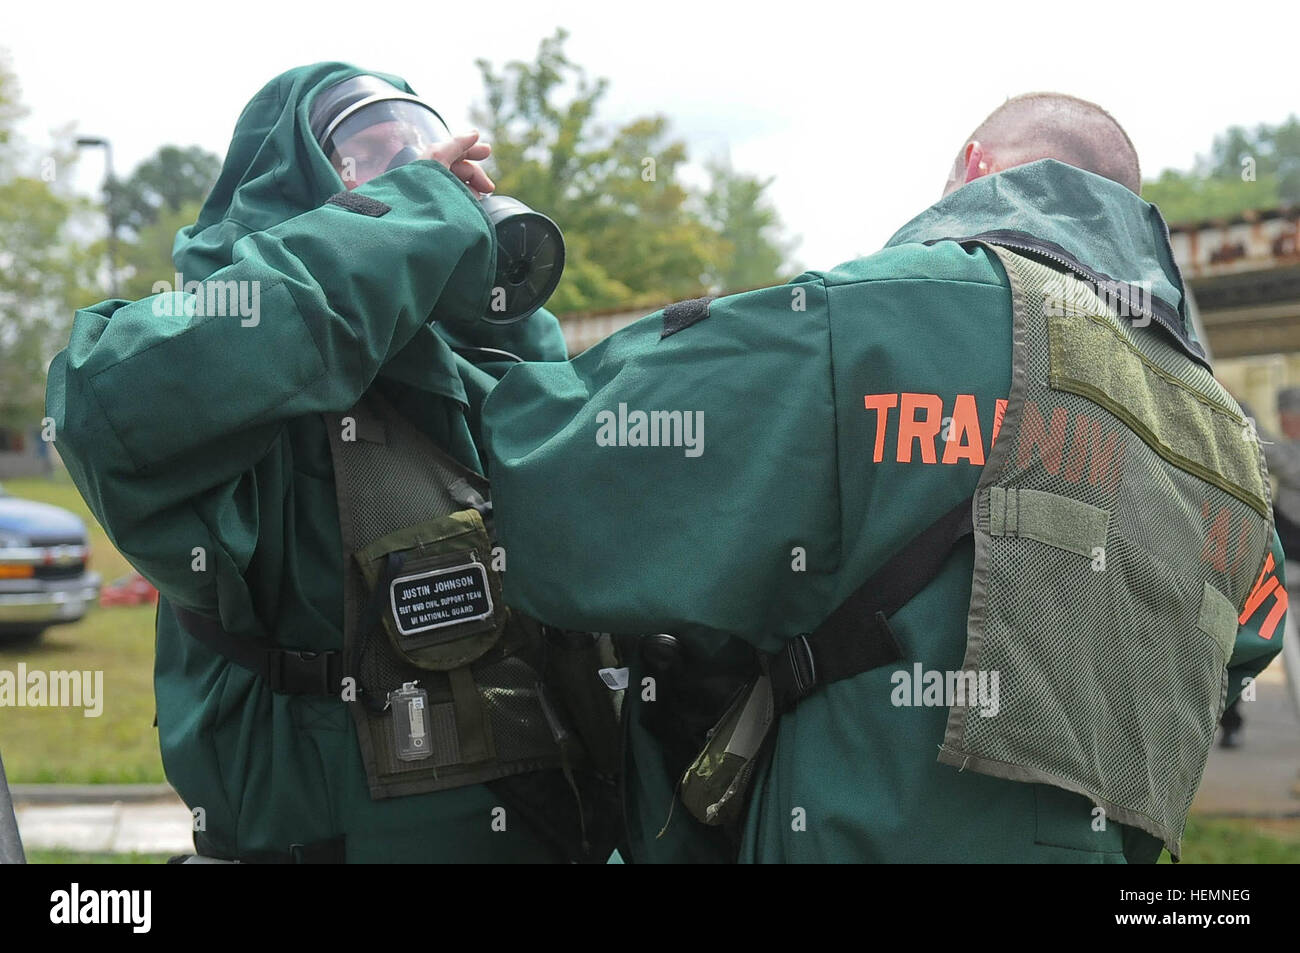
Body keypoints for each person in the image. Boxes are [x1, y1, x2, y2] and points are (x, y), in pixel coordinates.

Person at [480, 93, 1288, 862]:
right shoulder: (1223, 438)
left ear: (974, 168)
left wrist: (471, 278)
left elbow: (554, 481)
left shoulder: (886, 315)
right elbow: (1245, 642)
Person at [45, 63, 619, 863]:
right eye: (367, 152)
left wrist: (491, 293)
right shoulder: (231, 357)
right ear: (291, 190)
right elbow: (109, 413)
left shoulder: (491, 353)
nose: (420, 167)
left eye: (420, 144)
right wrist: (407, 212)